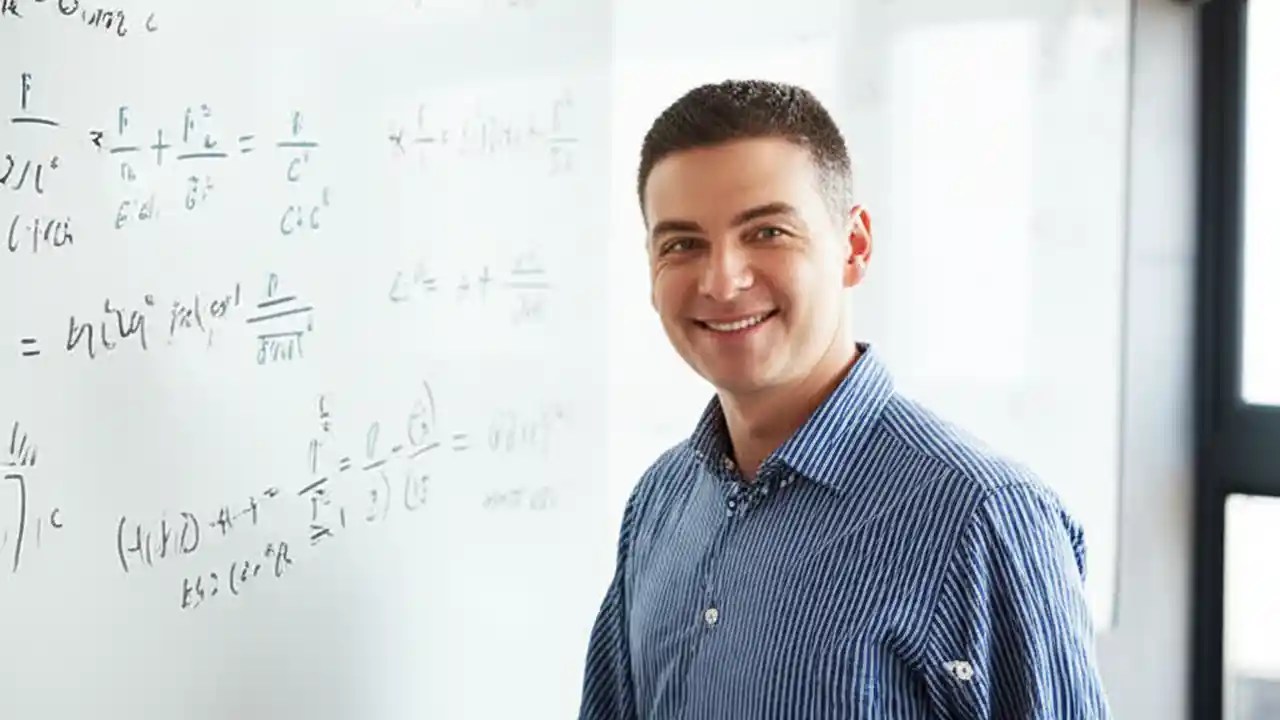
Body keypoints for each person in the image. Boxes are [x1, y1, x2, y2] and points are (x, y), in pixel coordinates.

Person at [577, 79, 1112, 719]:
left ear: (853, 247)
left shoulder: (982, 519)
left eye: (768, 232)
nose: (722, 280)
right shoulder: (659, 504)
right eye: (683, 244)